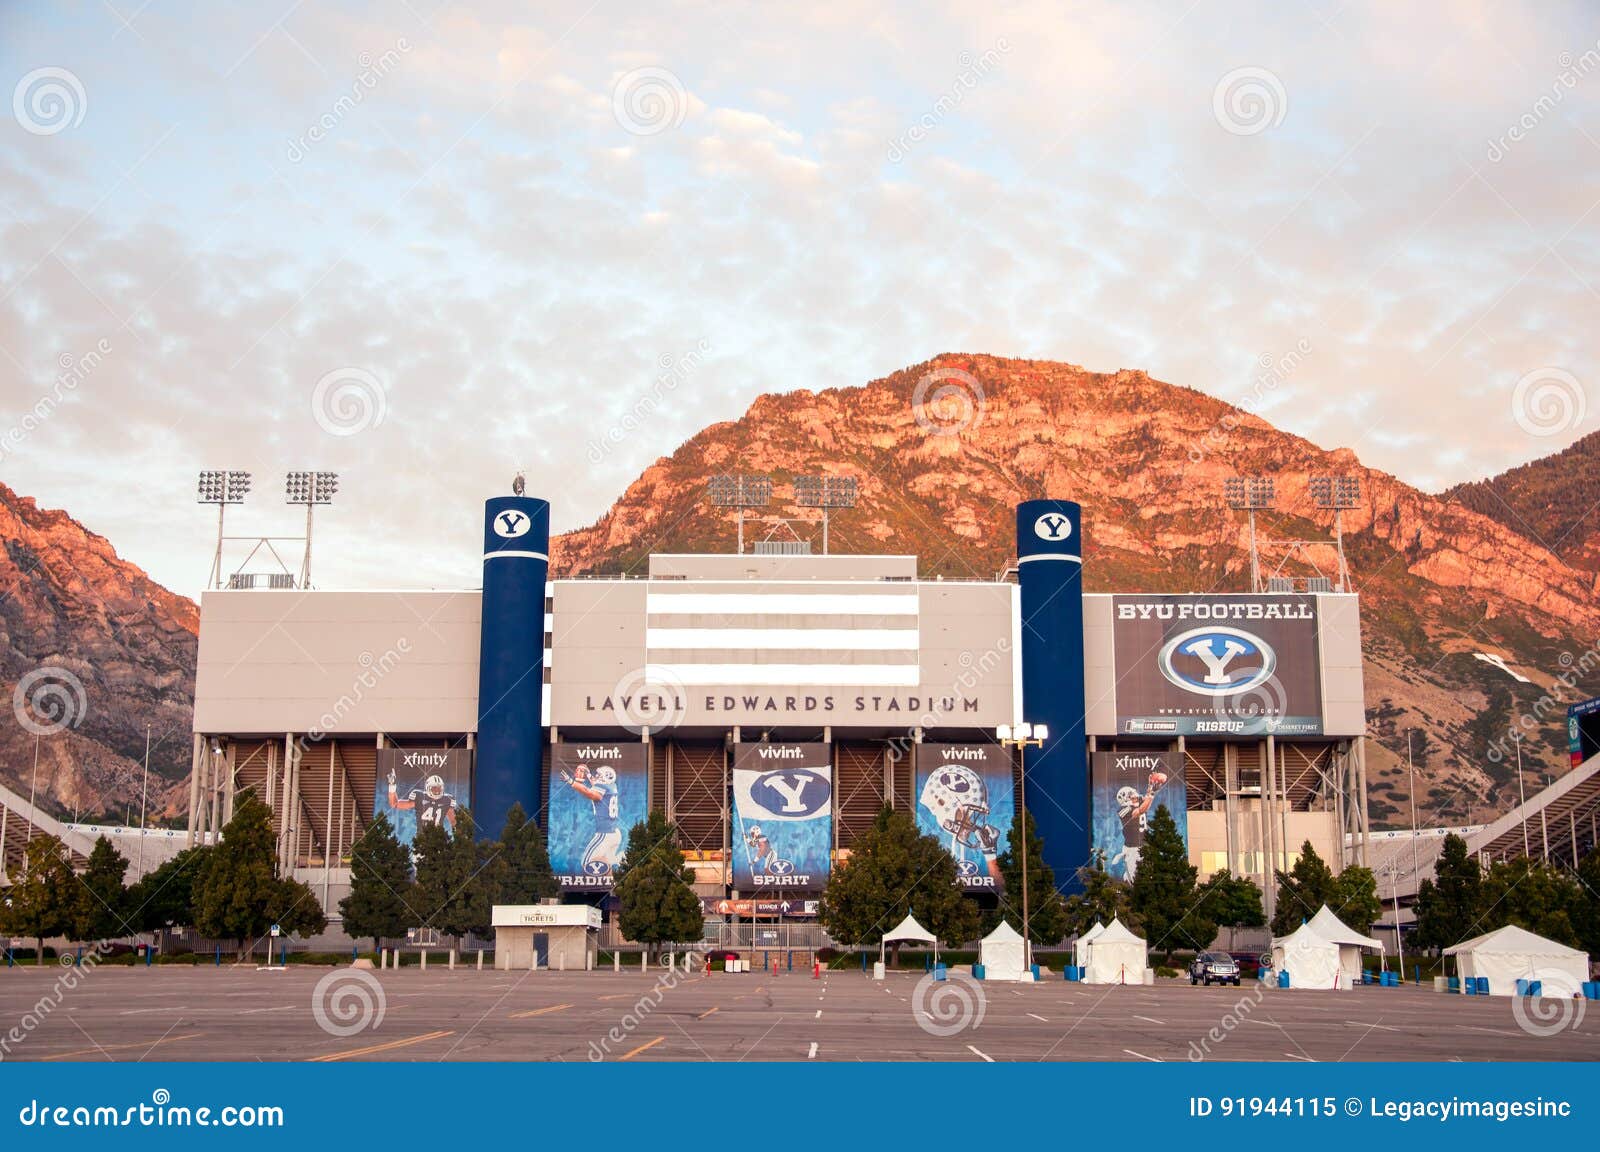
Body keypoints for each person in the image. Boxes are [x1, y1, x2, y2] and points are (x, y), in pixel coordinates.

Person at [558, 764, 622, 876]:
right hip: (615, 833)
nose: (596, 776)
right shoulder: (612, 786)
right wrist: (587, 774)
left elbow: (588, 792)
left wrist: (571, 781)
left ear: (604, 778)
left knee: (586, 862)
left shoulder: (602, 790)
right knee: (606, 864)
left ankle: (620, 859)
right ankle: (612, 884)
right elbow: (596, 785)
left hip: (604, 834)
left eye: (599, 775)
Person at [1112, 770, 1168, 880]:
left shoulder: (1138, 803)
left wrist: (1151, 785)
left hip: (1144, 846)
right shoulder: (1124, 810)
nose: (1136, 795)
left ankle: (1126, 878)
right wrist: (1151, 794)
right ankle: (1126, 879)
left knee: (1148, 877)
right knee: (1135, 881)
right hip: (1132, 849)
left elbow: (1147, 798)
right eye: (1132, 795)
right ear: (1126, 799)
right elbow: (1139, 811)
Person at [387, 768, 457, 834]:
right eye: (434, 788)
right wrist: (392, 785)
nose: (437, 791)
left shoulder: (447, 799)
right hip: (422, 839)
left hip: (438, 839)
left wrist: (459, 836)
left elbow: (453, 822)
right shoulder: (419, 797)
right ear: (427, 788)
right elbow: (394, 804)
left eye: (439, 788)